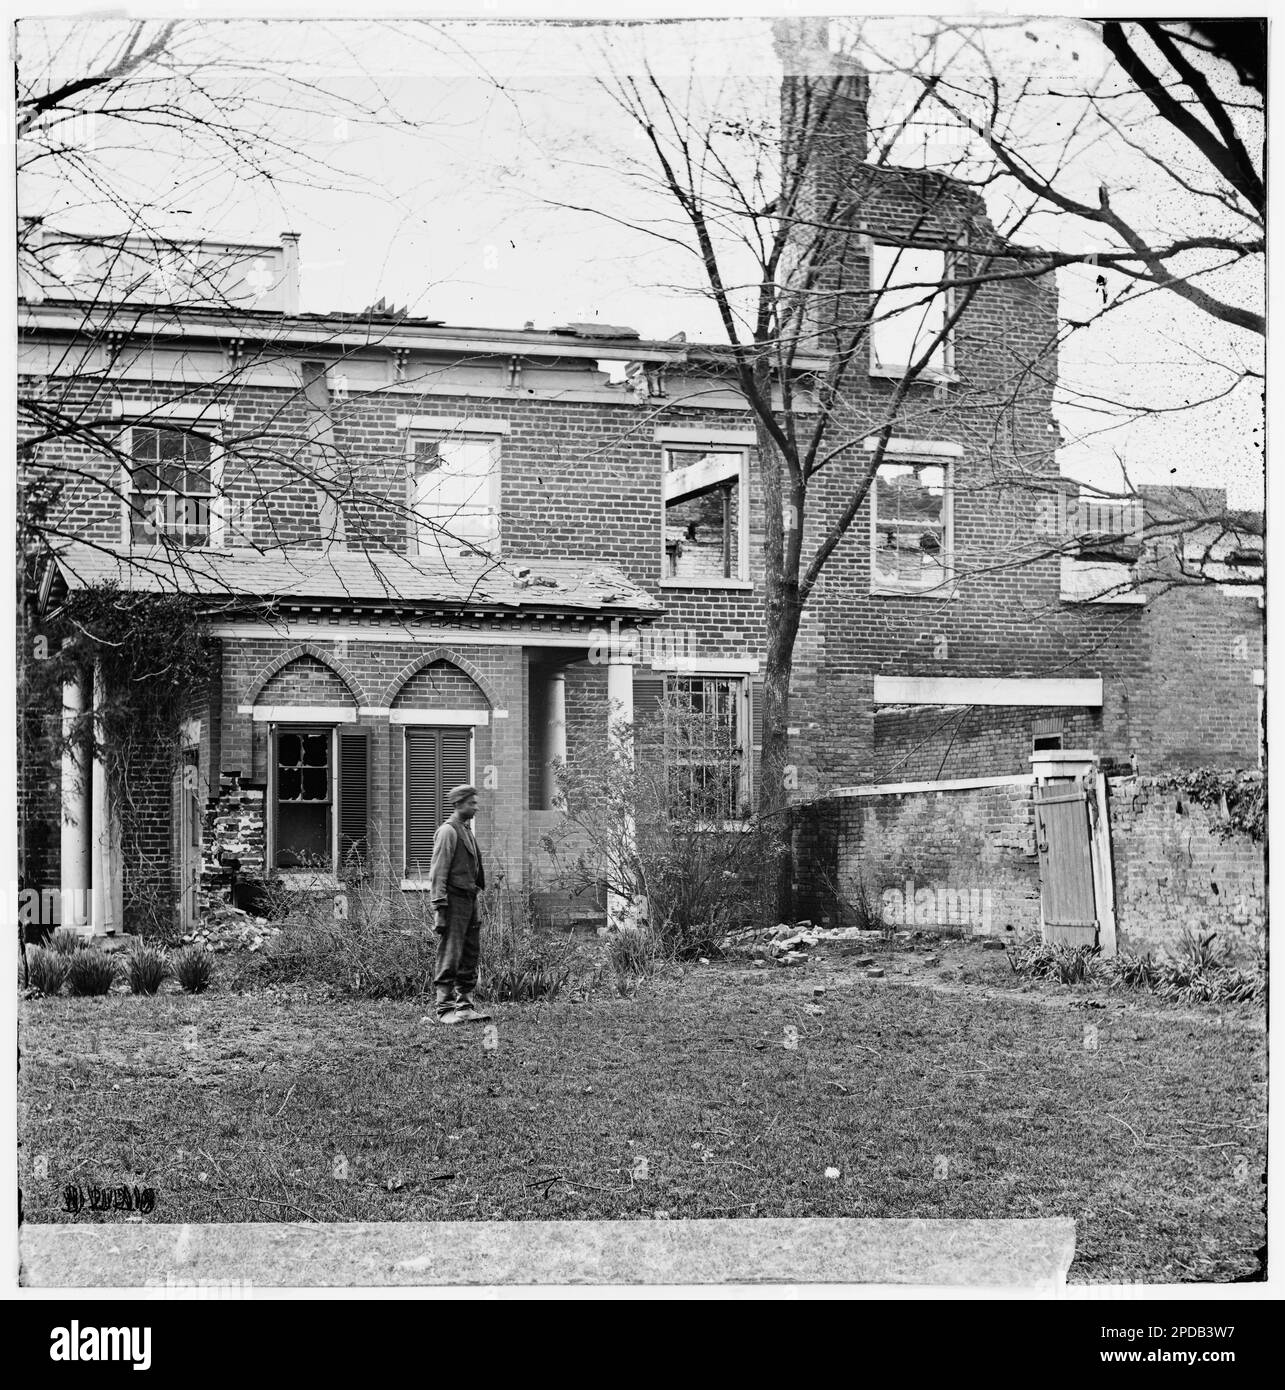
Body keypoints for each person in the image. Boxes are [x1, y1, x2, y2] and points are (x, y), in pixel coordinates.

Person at [428, 784, 491, 1025]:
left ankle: (464, 1006)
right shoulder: (448, 832)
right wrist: (439, 908)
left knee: (469, 952)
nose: (476, 807)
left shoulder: (466, 830)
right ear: (458, 804)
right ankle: (444, 1009)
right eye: (471, 803)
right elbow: (438, 872)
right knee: (451, 953)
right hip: (452, 902)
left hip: (469, 900)